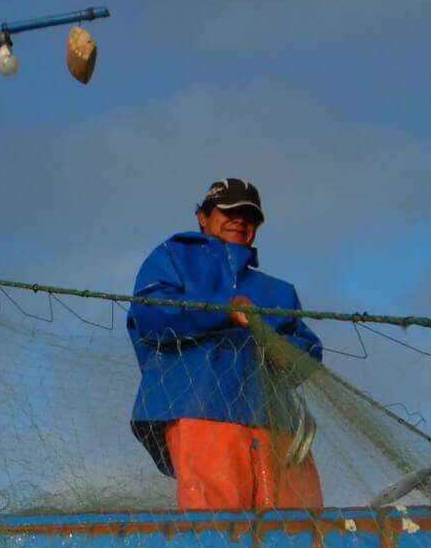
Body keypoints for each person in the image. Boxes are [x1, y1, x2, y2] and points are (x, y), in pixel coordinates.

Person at [127, 178, 326, 511]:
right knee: (216, 522)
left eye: (249, 215)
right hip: (200, 407)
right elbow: (151, 316)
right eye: (229, 211)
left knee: (299, 521)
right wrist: (224, 310)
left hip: (276, 421)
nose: (239, 220)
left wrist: (283, 350)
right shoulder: (173, 258)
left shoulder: (279, 292)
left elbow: (306, 348)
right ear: (202, 217)